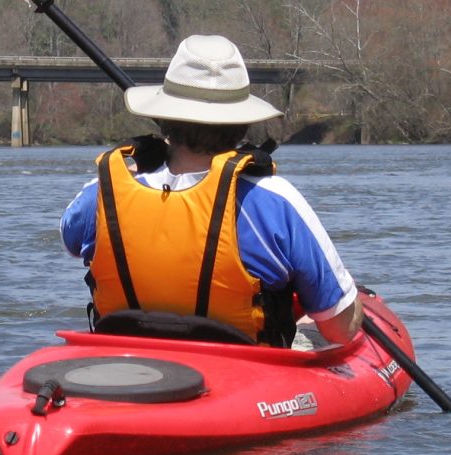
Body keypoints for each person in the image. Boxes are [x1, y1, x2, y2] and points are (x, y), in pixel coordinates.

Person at [60, 34, 362, 348]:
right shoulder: (272, 199)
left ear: (164, 119)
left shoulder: (105, 192)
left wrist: (142, 167)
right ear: (242, 124)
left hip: (127, 364)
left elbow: (70, 239)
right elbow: (341, 328)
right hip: (242, 374)